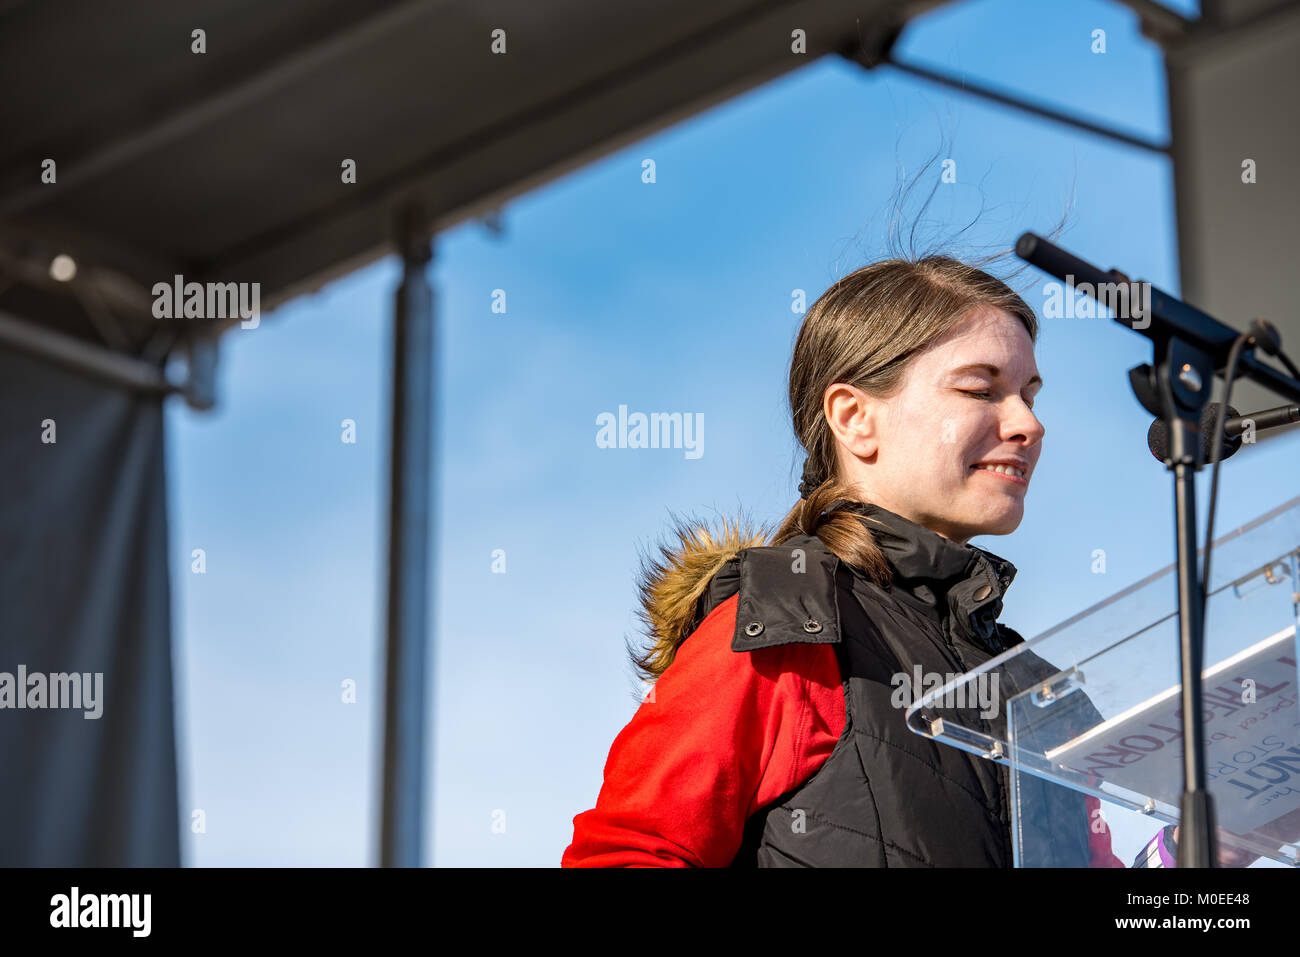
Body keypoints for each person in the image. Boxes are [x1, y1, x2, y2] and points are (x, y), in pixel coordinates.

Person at [561, 254, 1159, 867]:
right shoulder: (786, 625)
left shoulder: (1032, 687)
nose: (1028, 423)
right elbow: (627, 853)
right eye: (982, 389)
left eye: (1030, 395)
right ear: (854, 418)